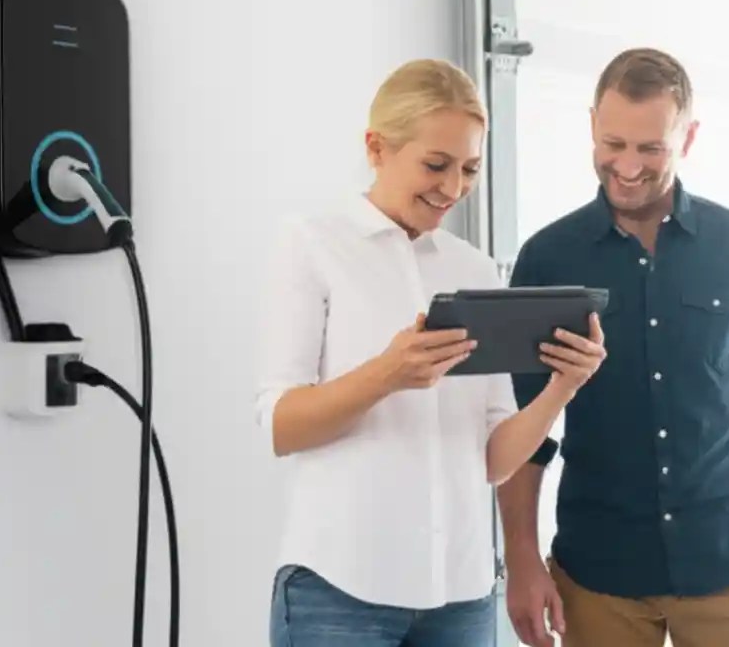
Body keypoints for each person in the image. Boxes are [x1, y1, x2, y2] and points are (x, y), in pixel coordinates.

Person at [253, 57, 607, 646]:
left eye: (469, 169)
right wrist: (387, 375)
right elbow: (280, 426)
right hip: (340, 590)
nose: (453, 188)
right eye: (435, 164)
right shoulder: (313, 244)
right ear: (377, 147)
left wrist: (561, 389)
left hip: (461, 596)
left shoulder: (474, 269)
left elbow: (493, 462)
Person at [498, 47, 729, 647]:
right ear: (592, 125)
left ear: (689, 136)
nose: (627, 166)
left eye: (650, 148)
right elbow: (522, 430)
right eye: (612, 143)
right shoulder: (548, 258)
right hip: (597, 580)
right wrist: (520, 561)